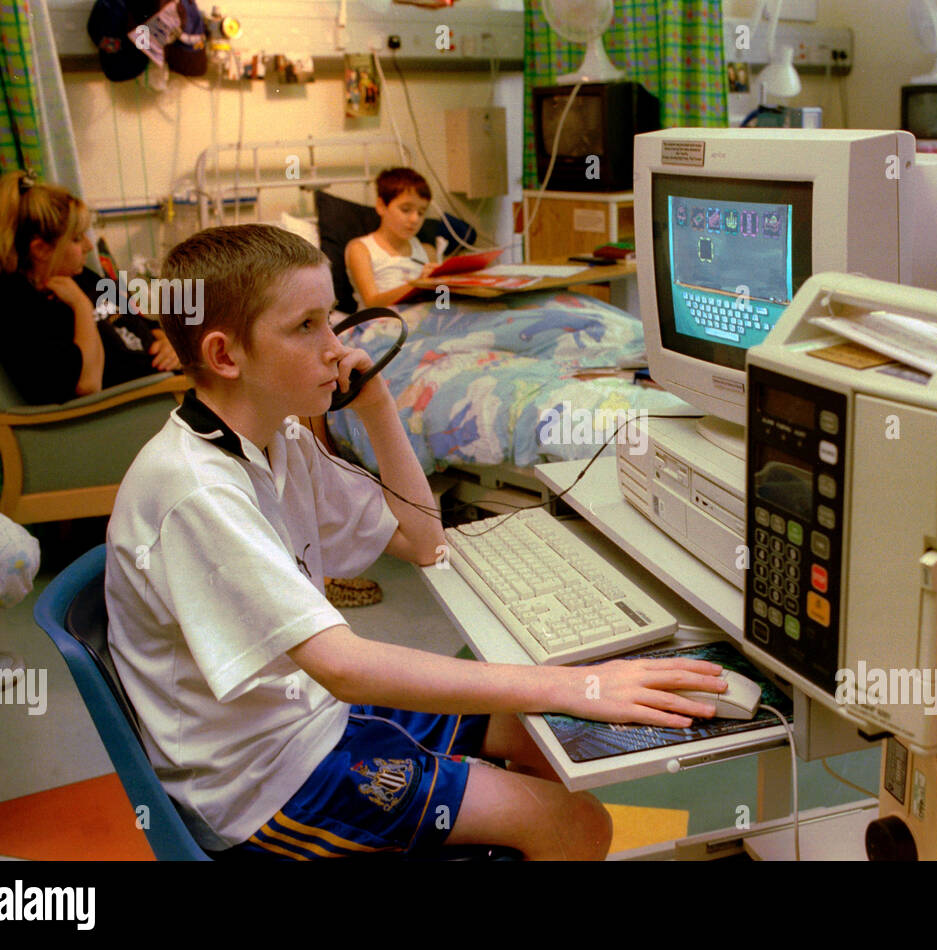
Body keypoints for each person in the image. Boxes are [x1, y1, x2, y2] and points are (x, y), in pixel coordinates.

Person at [104, 223, 729, 860]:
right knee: (577, 821)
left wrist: (375, 407)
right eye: (306, 326)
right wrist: (575, 683)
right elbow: (343, 667)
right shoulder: (194, 490)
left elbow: (423, 539)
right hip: (265, 785)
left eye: (332, 319)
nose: (337, 347)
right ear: (226, 356)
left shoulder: (280, 440)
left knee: (552, 737)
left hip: (315, 719)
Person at [0, 171, 180, 405]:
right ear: (40, 249)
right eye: (76, 238)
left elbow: (141, 322)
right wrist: (82, 307)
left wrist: (169, 344)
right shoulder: (15, 304)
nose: (88, 246)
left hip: (171, 384)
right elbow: (88, 385)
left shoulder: (81, 276)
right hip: (139, 408)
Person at [345, 166, 440, 310]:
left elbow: (442, 305)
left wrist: (445, 285)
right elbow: (372, 302)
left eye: (421, 212)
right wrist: (419, 284)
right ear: (381, 206)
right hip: (378, 324)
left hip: (424, 323)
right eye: (406, 210)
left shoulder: (428, 252)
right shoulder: (361, 249)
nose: (415, 219)